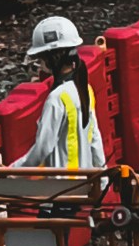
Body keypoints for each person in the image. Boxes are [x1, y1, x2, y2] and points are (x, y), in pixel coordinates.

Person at [15, 13, 107, 178]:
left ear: (54, 57)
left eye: (42, 57)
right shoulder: (84, 89)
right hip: (81, 186)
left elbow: (42, 149)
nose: (40, 63)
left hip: (61, 189)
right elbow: (95, 139)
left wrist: (11, 172)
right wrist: (102, 178)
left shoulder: (57, 98)